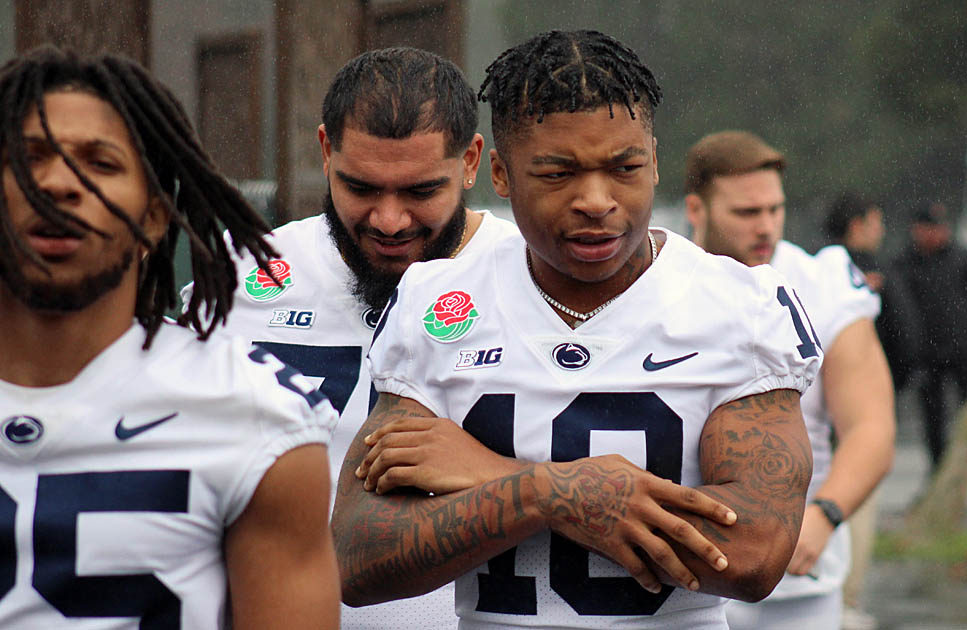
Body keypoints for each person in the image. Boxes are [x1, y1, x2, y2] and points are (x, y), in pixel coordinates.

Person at [332, 29, 821, 628]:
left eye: (623, 168)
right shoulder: (438, 300)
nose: (596, 200)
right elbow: (356, 557)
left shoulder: (738, 306)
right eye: (558, 173)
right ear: (502, 174)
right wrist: (547, 494)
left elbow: (755, 552)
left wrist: (510, 480)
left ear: (655, 163)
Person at [0, 47, 338, 628]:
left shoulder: (253, 409)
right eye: (28, 158)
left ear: (156, 218)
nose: (57, 183)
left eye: (100, 163)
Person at [183, 46, 517, 630]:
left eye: (419, 192)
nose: (389, 221)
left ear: (470, 161)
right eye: (360, 187)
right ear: (325, 151)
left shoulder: (533, 278)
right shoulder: (241, 278)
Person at [682, 130, 895, 630]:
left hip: (800, 567)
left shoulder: (822, 284)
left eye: (774, 210)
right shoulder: (664, 282)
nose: (766, 228)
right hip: (687, 573)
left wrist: (823, 517)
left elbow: (872, 428)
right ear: (697, 209)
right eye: (746, 213)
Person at [893, 202, 967, 475]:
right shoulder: (904, 264)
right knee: (933, 420)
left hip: (962, 350)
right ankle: (939, 475)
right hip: (926, 354)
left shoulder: (962, 259)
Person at [823, 193, 920, 391]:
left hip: (835, 382)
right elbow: (901, 325)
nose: (881, 231)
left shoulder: (815, 265)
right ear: (857, 226)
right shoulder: (866, 269)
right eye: (876, 224)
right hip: (869, 378)